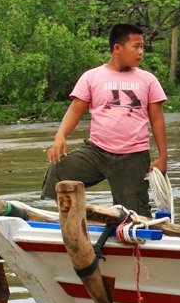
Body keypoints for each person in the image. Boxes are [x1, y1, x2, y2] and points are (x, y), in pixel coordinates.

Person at [42, 23, 168, 217]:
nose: (141, 52)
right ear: (118, 48)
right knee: (59, 169)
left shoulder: (148, 79)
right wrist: (60, 135)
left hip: (132, 156)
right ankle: (70, 216)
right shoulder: (92, 77)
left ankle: (132, 233)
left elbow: (157, 119)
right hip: (97, 152)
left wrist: (163, 156)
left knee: (135, 215)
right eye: (136, 46)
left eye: (142, 47)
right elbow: (75, 110)